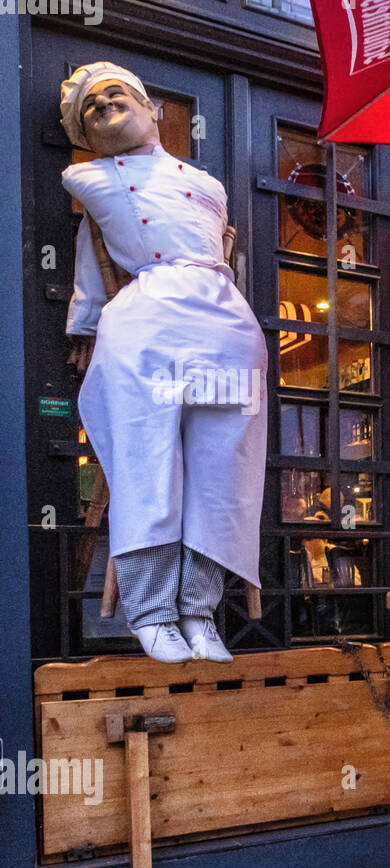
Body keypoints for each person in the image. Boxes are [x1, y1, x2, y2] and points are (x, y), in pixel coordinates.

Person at [61, 62, 268, 663]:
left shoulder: (208, 186)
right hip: (149, 324)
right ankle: (152, 611)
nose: (102, 106)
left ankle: (199, 611)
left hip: (224, 324)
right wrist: (85, 324)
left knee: (220, 475)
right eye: (90, 108)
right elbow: (91, 254)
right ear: (87, 136)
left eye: (114, 95)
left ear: (154, 111)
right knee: (147, 465)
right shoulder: (93, 180)